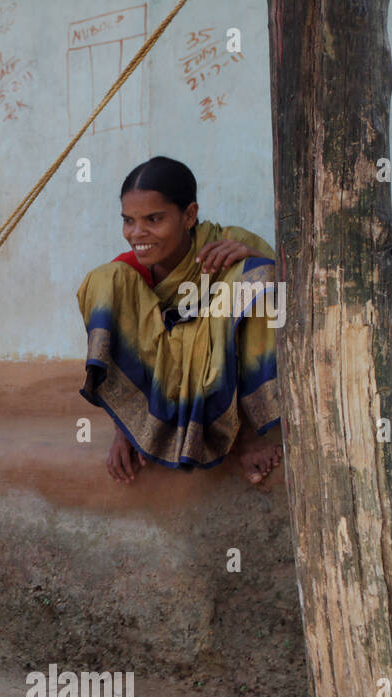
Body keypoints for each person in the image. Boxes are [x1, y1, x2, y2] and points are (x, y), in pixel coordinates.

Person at [76, 155, 283, 485]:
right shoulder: (126, 274)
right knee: (103, 280)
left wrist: (253, 258)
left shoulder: (227, 245)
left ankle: (248, 436)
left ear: (189, 215)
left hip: (220, 366)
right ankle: (144, 428)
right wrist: (123, 431)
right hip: (166, 373)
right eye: (128, 220)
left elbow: (295, 299)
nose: (137, 233)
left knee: (262, 276)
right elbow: (122, 352)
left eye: (153, 219)